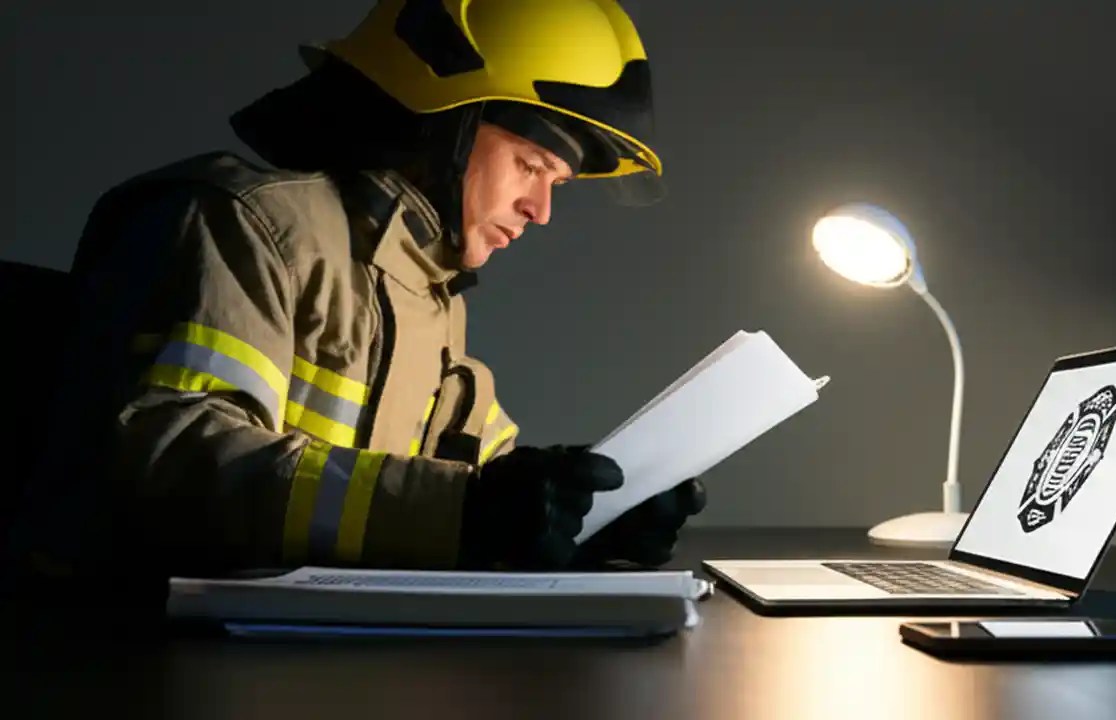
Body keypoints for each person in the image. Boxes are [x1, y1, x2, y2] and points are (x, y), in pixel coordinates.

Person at [4, 0, 705, 612]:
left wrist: (585, 520)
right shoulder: (247, 226)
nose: (541, 209)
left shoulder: (424, 289)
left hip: (293, 660)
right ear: (447, 124)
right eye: (530, 164)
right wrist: (470, 511)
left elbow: (473, 481)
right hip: (131, 660)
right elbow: (181, 463)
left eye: (557, 182)